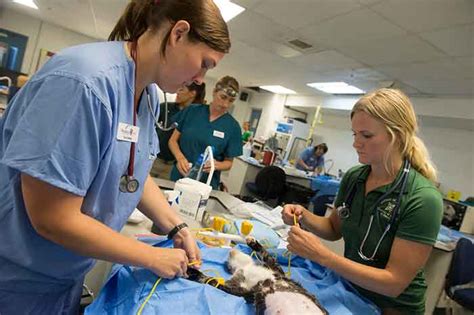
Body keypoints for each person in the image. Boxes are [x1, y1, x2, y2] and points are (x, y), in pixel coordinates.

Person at [0, 0, 230, 313]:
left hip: (62, 276)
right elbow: (52, 217)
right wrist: (150, 256)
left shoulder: (146, 92)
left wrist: (177, 226)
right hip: (16, 278)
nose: (202, 78)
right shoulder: (85, 83)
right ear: (178, 34)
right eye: (205, 63)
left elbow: (130, 170)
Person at [282, 89, 443, 314]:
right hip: (350, 292)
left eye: (366, 136)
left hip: (390, 308)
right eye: (354, 134)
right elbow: (333, 228)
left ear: (397, 135)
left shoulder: (423, 199)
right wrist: (303, 215)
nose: (357, 143)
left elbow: (393, 283)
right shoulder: (355, 177)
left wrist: (322, 255)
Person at [169, 76, 242, 190]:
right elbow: (172, 141)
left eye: (231, 101)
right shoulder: (192, 111)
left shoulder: (233, 127)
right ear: (214, 92)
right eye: (223, 97)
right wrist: (180, 158)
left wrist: (216, 164)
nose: (225, 104)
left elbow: (229, 163)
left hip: (206, 185)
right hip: (180, 176)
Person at [151, 82, 206, 179]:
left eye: (182, 90)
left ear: (192, 93)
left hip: (174, 166)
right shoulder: (165, 107)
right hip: (154, 159)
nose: (177, 92)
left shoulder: (197, 116)